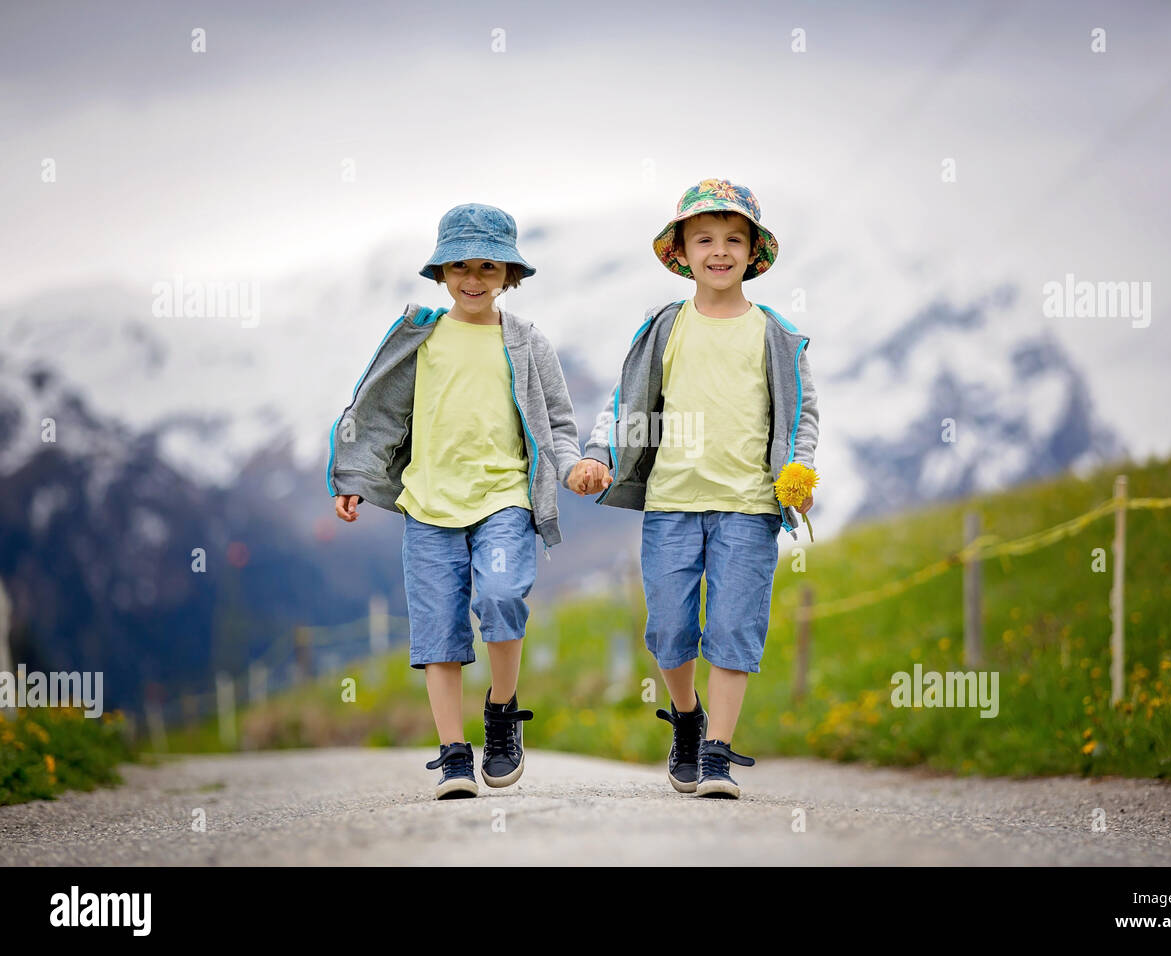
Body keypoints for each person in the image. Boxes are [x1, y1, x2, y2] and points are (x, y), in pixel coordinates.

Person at [327, 203, 586, 799]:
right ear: (441, 272)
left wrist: (572, 470)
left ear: (509, 275)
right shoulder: (422, 338)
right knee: (438, 631)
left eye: (489, 267)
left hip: (505, 500)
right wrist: (355, 478)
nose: (474, 279)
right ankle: (451, 754)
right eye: (461, 266)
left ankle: (500, 715)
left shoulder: (526, 343)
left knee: (500, 599)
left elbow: (560, 423)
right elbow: (381, 418)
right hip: (429, 507)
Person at [570, 178, 819, 798]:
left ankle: (717, 753)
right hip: (673, 503)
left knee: (735, 628)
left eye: (734, 239)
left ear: (752, 252)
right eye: (704, 238)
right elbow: (627, 402)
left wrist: (798, 471)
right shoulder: (665, 327)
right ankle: (687, 716)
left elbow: (802, 416)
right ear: (681, 250)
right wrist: (600, 452)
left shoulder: (775, 335)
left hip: (749, 506)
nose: (719, 250)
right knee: (670, 631)